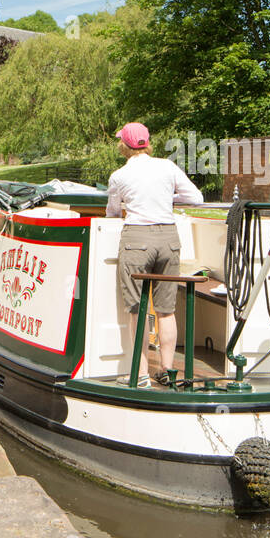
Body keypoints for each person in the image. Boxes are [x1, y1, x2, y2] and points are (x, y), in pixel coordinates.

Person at [107, 122, 204, 387]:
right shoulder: (167, 167)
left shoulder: (119, 175)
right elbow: (196, 198)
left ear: (124, 146)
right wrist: (165, 199)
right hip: (168, 239)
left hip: (136, 238)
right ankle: (167, 370)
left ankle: (140, 375)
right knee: (166, 309)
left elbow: (113, 212)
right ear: (147, 143)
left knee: (136, 309)